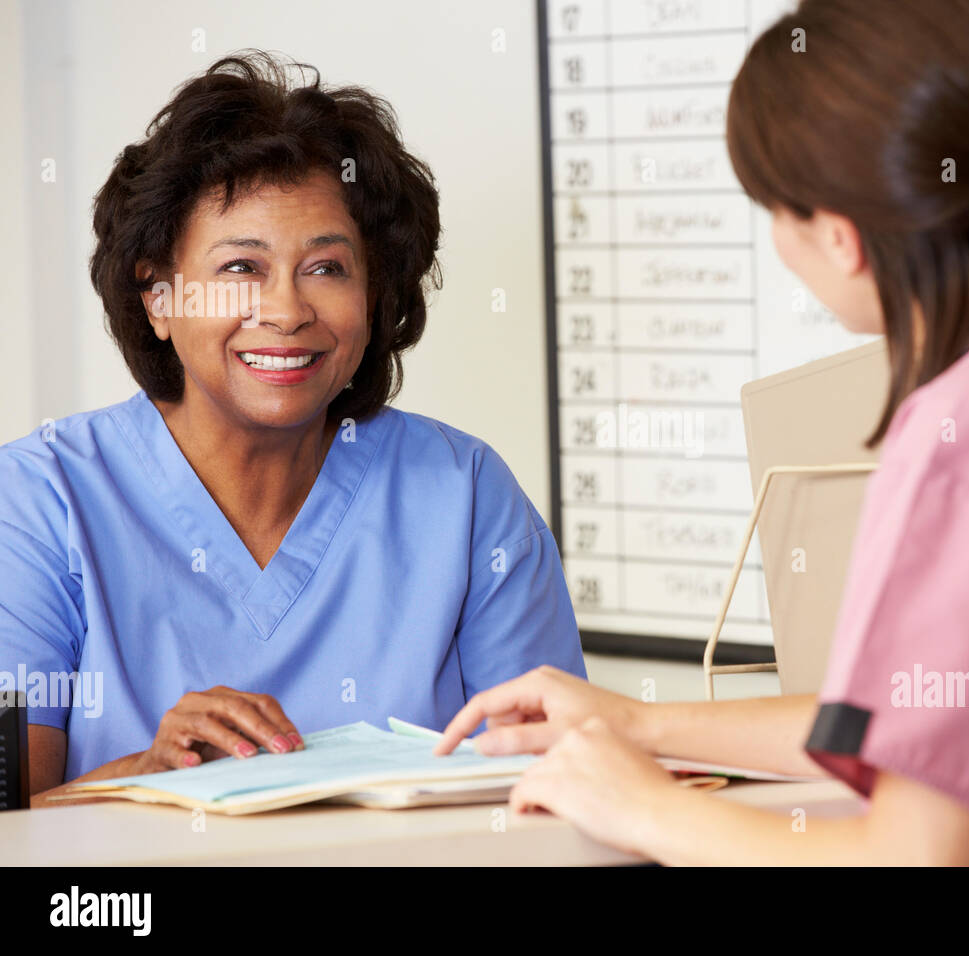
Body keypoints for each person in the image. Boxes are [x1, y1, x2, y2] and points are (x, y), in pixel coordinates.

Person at [435, 0, 969, 865]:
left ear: (841, 238)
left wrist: (644, 808)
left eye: (774, 211)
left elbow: (917, 855)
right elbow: (929, 716)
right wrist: (641, 722)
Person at [0, 52, 584, 807]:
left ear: (375, 295)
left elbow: (565, 779)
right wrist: (152, 773)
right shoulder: (38, 500)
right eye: (242, 267)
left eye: (328, 269)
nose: (286, 310)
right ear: (158, 297)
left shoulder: (465, 494)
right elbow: (9, 819)